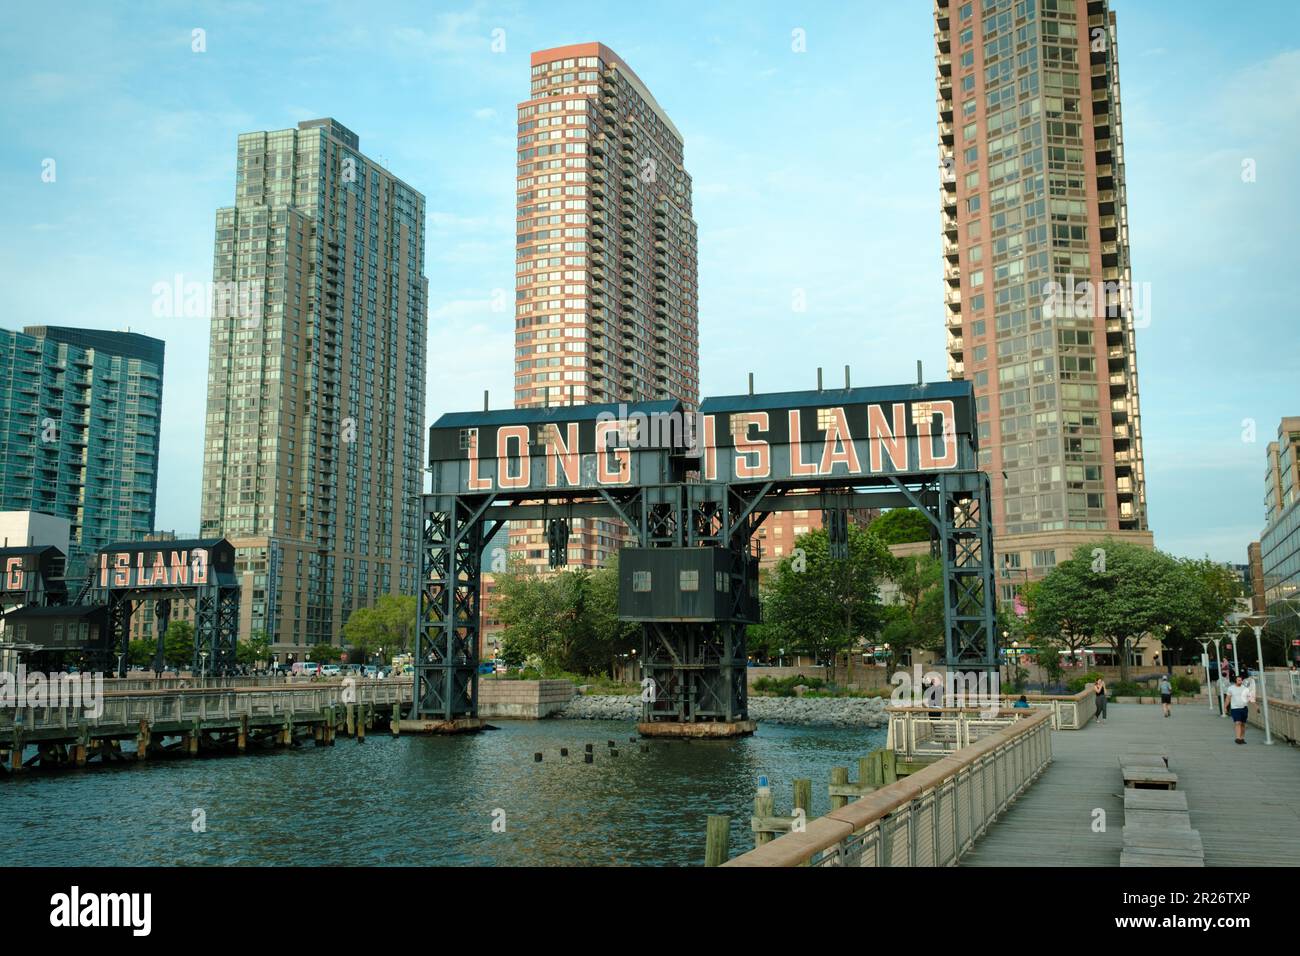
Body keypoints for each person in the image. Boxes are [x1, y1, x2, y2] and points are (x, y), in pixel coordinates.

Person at [1226, 673, 1254, 744]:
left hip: (1244, 708)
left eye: (1241, 680)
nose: (1240, 681)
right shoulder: (1231, 688)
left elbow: (1250, 698)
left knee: (1243, 724)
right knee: (1237, 722)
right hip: (1235, 709)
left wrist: (1256, 706)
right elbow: (1228, 698)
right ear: (1235, 681)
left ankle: (1242, 738)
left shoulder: (1245, 689)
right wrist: (1225, 707)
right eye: (1238, 680)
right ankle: (1238, 738)